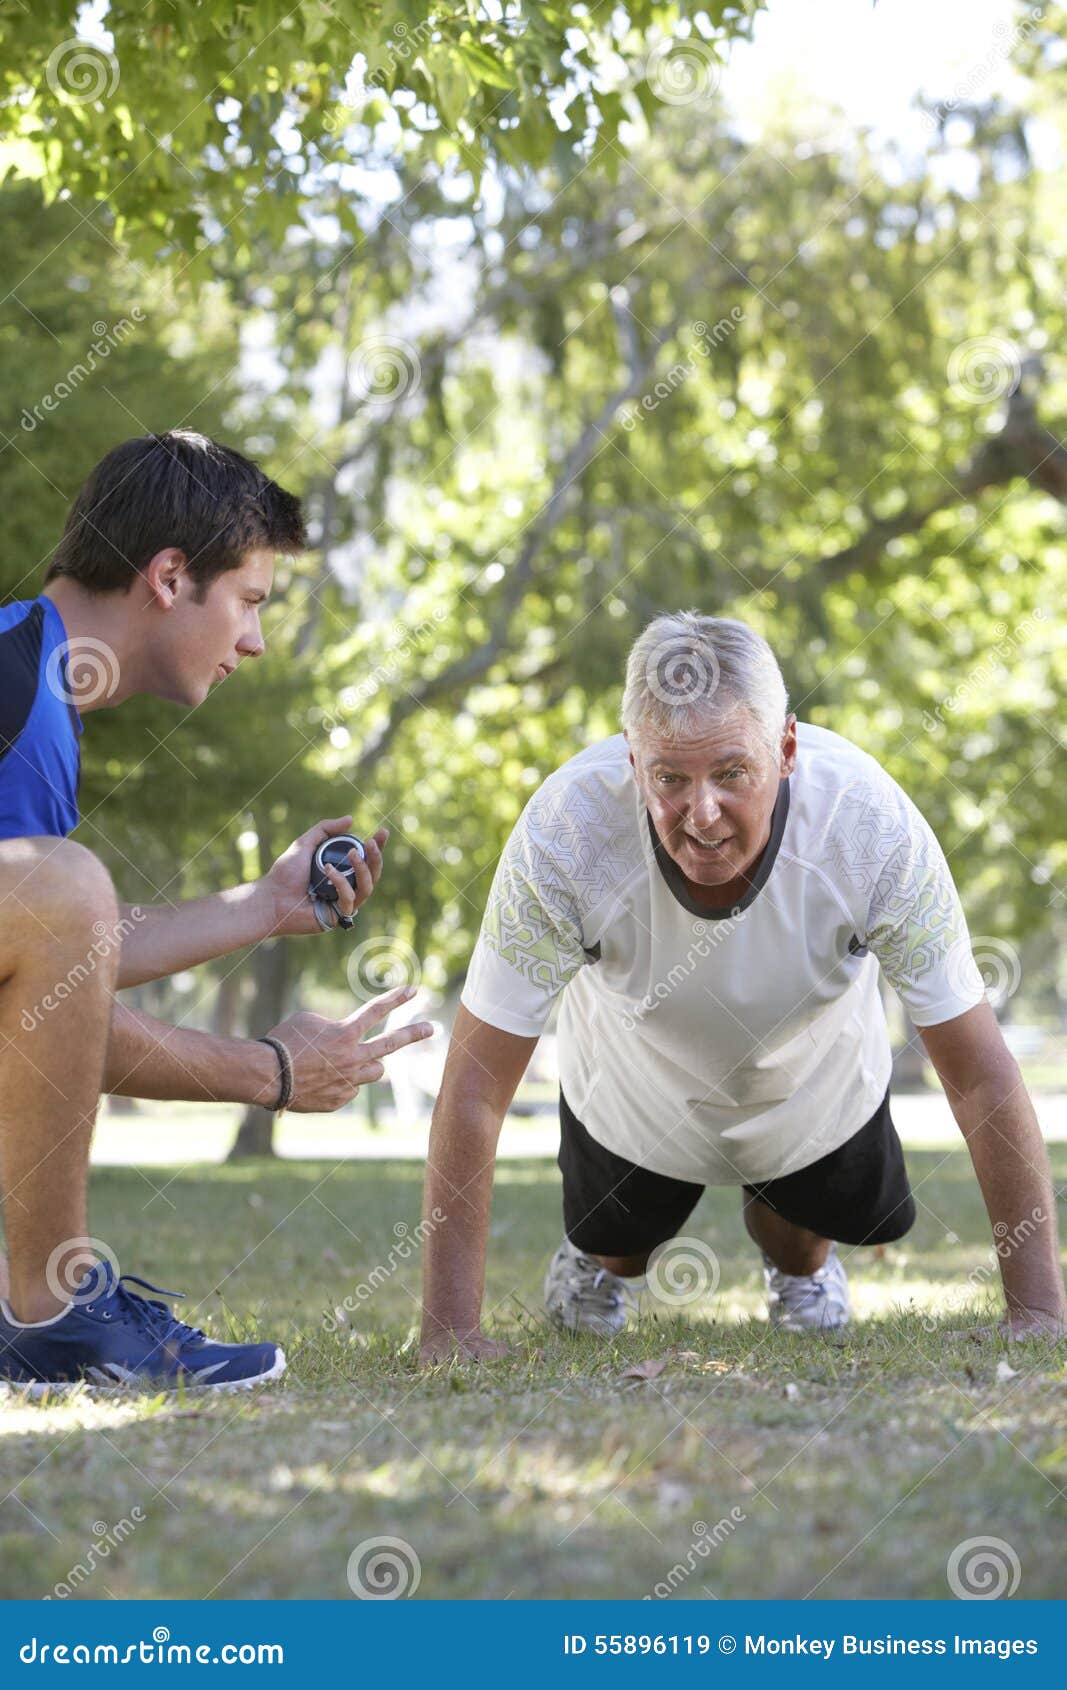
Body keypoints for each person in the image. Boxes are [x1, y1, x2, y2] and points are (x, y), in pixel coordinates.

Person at [419, 613, 1066, 1359]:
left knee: (799, 1242)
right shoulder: (563, 834)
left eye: (731, 772)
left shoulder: (870, 824)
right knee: (621, 1244)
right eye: (669, 778)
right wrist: (449, 1330)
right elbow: (474, 1086)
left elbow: (980, 1076)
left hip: (810, 1088)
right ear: (632, 763)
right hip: (634, 1090)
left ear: (785, 749)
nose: (700, 813)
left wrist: (1039, 1310)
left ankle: (800, 1275)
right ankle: (599, 1269)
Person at [0, 430, 432, 1390]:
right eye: (248, 601)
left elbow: (44, 972)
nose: (255, 639)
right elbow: (30, 1021)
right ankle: (51, 1314)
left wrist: (264, 907)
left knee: (64, 889)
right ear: (167, 576)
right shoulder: (17, 695)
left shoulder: (32, 676)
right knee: (67, 882)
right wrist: (267, 1070)